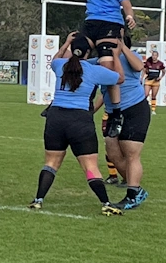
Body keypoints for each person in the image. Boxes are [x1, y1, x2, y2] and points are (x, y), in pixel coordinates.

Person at [27, 0, 135, 109]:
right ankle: (62, 100)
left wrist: (130, 16)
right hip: (90, 23)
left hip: (110, 25)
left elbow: (126, 4)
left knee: (108, 68)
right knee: (71, 59)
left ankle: (115, 113)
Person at [28, 32, 125, 216]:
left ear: (72, 50)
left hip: (56, 118)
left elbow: (54, 60)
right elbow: (119, 78)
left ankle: (38, 200)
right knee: (90, 166)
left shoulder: (61, 65)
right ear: (88, 53)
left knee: (51, 162)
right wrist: (115, 55)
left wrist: (65, 43)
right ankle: (105, 203)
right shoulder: (94, 70)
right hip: (80, 120)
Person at [94, 34, 151, 210]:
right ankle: (137, 188)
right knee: (112, 152)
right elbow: (104, 91)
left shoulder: (130, 56)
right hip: (113, 112)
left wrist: (122, 49)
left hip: (135, 108)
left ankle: (132, 194)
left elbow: (140, 66)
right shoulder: (98, 61)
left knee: (131, 153)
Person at [142, 50, 166, 115]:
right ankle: (143, 108)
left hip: (156, 82)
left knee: (154, 96)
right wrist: (141, 78)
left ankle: (153, 110)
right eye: (153, 55)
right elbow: (144, 71)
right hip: (148, 80)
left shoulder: (160, 64)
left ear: (157, 56)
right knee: (145, 94)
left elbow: (164, 71)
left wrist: (160, 77)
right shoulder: (148, 63)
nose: (154, 57)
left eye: (155, 55)